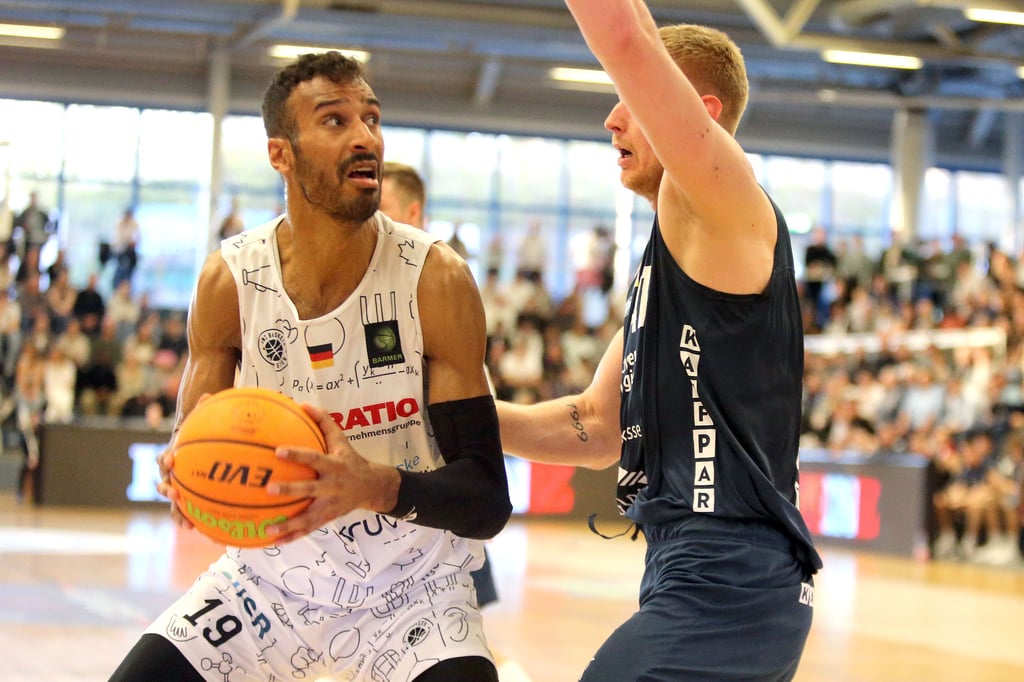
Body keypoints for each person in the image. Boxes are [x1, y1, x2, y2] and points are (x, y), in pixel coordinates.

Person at [109, 51, 511, 682]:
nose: (364, 137)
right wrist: (185, 474)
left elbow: (487, 500)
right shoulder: (229, 280)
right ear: (282, 155)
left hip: (414, 597)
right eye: (334, 121)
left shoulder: (435, 278)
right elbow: (193, 444)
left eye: (371, 119)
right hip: (265, 592)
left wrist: (373, 485)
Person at [496, 4, 822, 680]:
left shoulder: (712, 195)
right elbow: (591, 426)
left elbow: (625, 35)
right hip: (701, 573)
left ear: (694, 112)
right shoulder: (674, 260)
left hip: (729, 578)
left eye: (630, 100)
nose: (611, 119)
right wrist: (435, 417)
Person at [378, 160, 502, 613]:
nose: (373, 215)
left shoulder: (442, 276)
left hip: (443, 472)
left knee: (459, 615)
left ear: (414, 213)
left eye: (384, 206)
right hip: (397, 484)